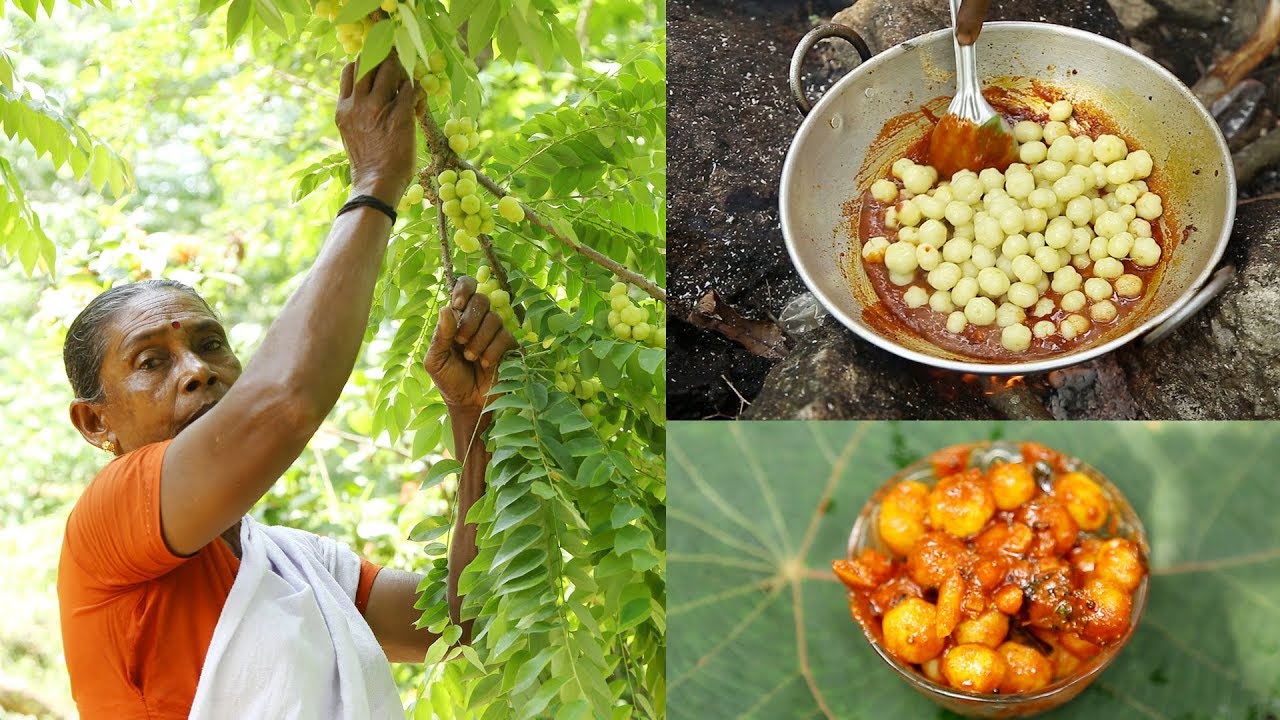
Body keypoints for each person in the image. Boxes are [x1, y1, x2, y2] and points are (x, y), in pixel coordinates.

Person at [56, 54, 515, 718]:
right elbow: (284, 405)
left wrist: (471, 412)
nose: (197, 370)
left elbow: (461, 620)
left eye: (210, 344)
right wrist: (376, 182)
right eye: (151, 362)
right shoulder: (106, 526)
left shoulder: (298, 565)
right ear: (96, 424)